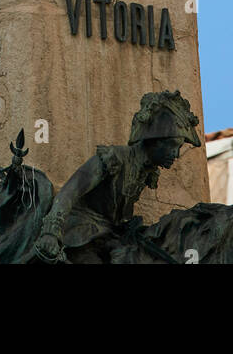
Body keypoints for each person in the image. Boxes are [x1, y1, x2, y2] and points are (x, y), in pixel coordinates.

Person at [33, 91, 201, 264]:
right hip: (81, 235)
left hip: (109, 237)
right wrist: (51, 232)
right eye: (172, 146)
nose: (176, 154)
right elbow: (69, 193)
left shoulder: (145, 171)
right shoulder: (113, 158)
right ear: (155, 140)